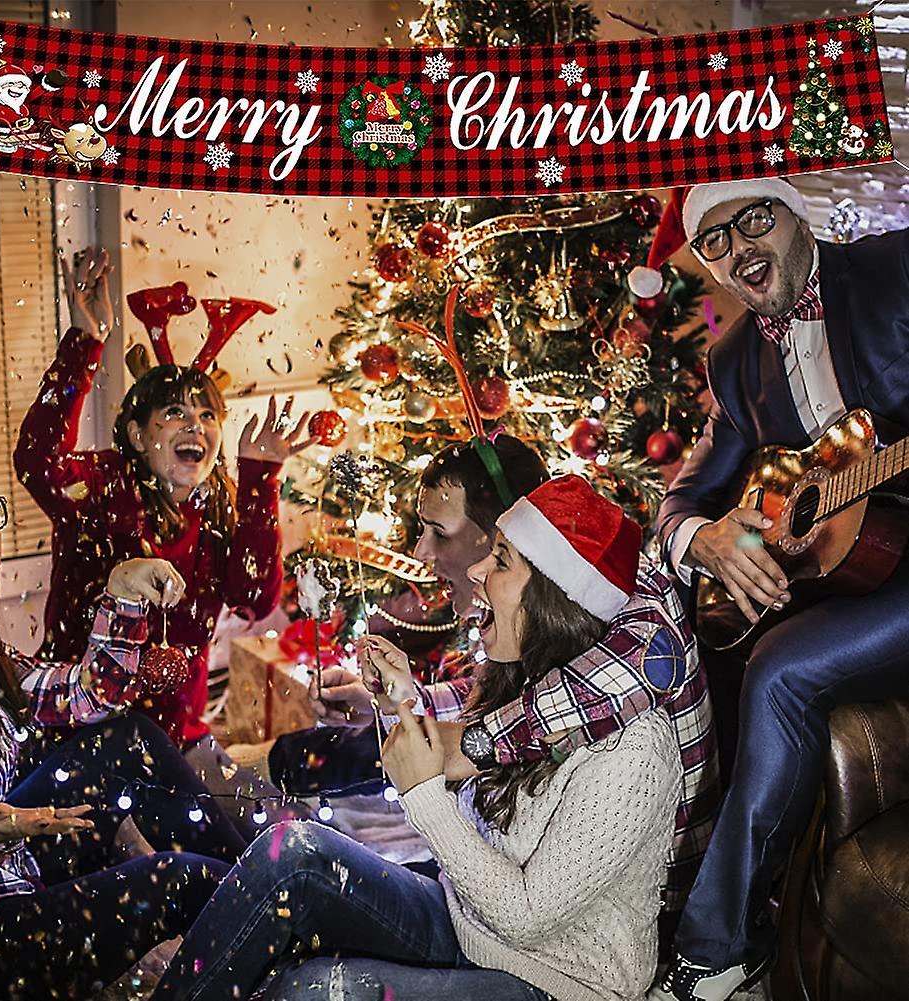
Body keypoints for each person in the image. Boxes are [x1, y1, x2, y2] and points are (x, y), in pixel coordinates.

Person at [151, 475, 683, 1001]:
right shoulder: (529, 686)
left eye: (500, 561)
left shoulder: (631, 754)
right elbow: (468, 757)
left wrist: (425, 798)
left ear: (552, 600)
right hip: (471, 928)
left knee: (314, 990)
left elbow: (525, 918)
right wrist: (398, 703)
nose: (477, 569)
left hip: (558, 984)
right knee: (293, 850)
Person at [288, 434, 717, 946]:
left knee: (318, 882)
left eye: (438, 532)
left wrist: (456, 750)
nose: (422, 552)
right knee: (311, 866)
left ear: (510, 537)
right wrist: (411, 703)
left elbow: (585, 695)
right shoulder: (559, 618)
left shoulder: (637, 634)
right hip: (523, 893)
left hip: (623, 926)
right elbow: (544, 697)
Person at [649, 178, 909, 1000]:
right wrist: (712, 539)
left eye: (752, 219)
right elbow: (679, 503)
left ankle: (714, 946)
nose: (739, 249)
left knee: (783, 670)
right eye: (715, 242)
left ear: (795, 212)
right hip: (859, 574)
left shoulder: (893, 267)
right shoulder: (732, 363)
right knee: (716, 654)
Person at [0, 418, 251, 999]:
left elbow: (84, 695)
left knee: (128, 739)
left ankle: (263, 878)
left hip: (5, 865)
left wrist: (121, 592)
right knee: (178, 882)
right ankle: (272, 903)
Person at [13, 247, 313, 832]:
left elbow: (255, 598)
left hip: (182, 741)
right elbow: (36, 461)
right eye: (174, 413)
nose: (194, 426)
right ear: (134, 431)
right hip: (87, 744)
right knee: (177, 878)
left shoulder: (221, 502)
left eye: (206, 416)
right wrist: (85, 341)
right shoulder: (101, 488)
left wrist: (260, 480)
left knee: (276, 841)